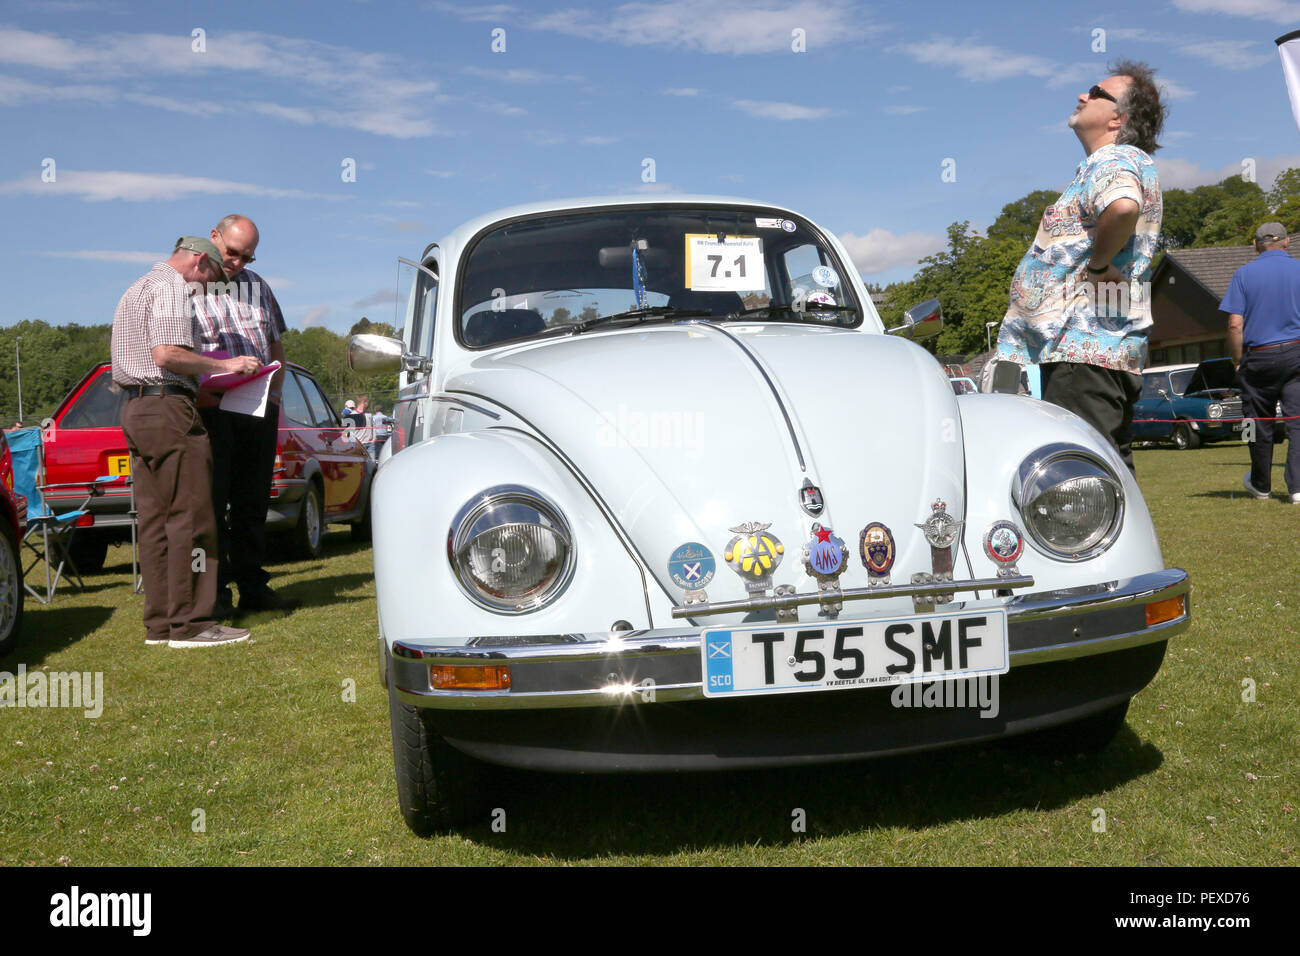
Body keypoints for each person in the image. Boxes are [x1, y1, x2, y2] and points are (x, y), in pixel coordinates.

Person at [996, 60, 1166, 474]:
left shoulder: (1116, 159)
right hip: (1095, 353)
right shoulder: (1115, 163)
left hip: (1082, 353)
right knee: (1108, 471)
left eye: (1095, 91)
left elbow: (1122, 207)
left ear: (1117, 118)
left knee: (1081, 476)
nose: (1082, 95)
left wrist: (1097, 265)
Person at [111, 236, 260, 647]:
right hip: (168, 409)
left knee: (156, 522)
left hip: (137, 410)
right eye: (211, 279)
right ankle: (194, 623)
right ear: (198, 261)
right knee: (194, 517)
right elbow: (167, 355)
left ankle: (161, 624)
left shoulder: (137, 287)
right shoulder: (174, 288)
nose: (209, 289)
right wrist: (225, 364)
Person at [192, 214, 300, 615]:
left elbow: (275, 346)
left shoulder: (259, 287)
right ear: (213, 237)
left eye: (247, 257)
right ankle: (216, 595)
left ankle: (254, 588)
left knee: (253, 502)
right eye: (232, 252)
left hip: (258, 408)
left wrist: (275, 395)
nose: (237, 262)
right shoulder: (189, 286)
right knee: (213, 503)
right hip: (213, 410)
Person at [1220, 222, 1300, 503]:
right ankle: (1298, 487)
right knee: (1298, 421)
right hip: (1296, 353)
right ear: (1287, 242)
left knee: (1255, 422)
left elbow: (1233, 325)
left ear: (1255, 245)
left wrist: (1237, 360)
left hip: (1258, 356)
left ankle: (1260, 484)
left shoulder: (1243, 275)